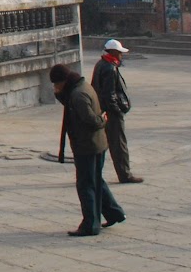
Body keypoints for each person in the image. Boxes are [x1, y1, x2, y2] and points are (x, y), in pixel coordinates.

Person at [50, 64, 125, 236]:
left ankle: (90, 224)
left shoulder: (78, 95)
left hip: (87, 146)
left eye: (56, 84)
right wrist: (58, 93)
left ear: (62, 82)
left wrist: (102, 120)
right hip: (95, 143)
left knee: (86, 185)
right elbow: (69, 102)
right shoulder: (80, 87)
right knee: (96, 180)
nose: (55, 87)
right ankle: (114, 213)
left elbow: (91, 119)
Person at [90, 40, 143, 184]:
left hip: (102, 111)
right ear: (113, 52)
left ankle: (93, 174)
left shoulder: (101, 64)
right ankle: (124, 174)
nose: (121, 56)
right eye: (119, 53)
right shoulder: (109, 68)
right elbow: (109, 94)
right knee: (118, 145)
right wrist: (117, 111)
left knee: (103, 144)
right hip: (111, 113)